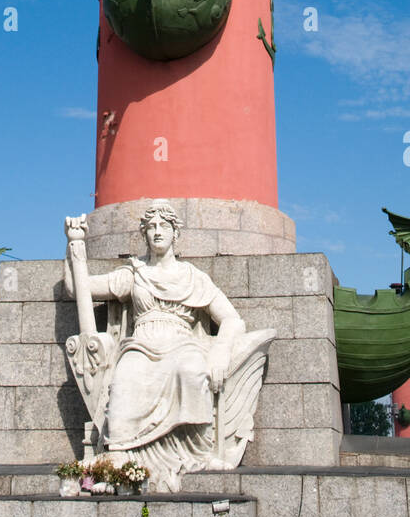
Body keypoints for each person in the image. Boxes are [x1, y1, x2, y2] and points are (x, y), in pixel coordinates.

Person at [63, 200, 272, 491]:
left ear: (176, 233)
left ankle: (197, 454)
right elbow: (78, 288)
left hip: (183, 345)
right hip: (141, 346)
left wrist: (221, 352)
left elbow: (232, 319)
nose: (158, 232)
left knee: (192, 372)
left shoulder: (193, 277)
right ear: (144, 234)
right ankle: (120, 457)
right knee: (125, 380)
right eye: (151, 227)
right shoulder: (134, 274)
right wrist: (75, 245)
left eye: (164, 226)